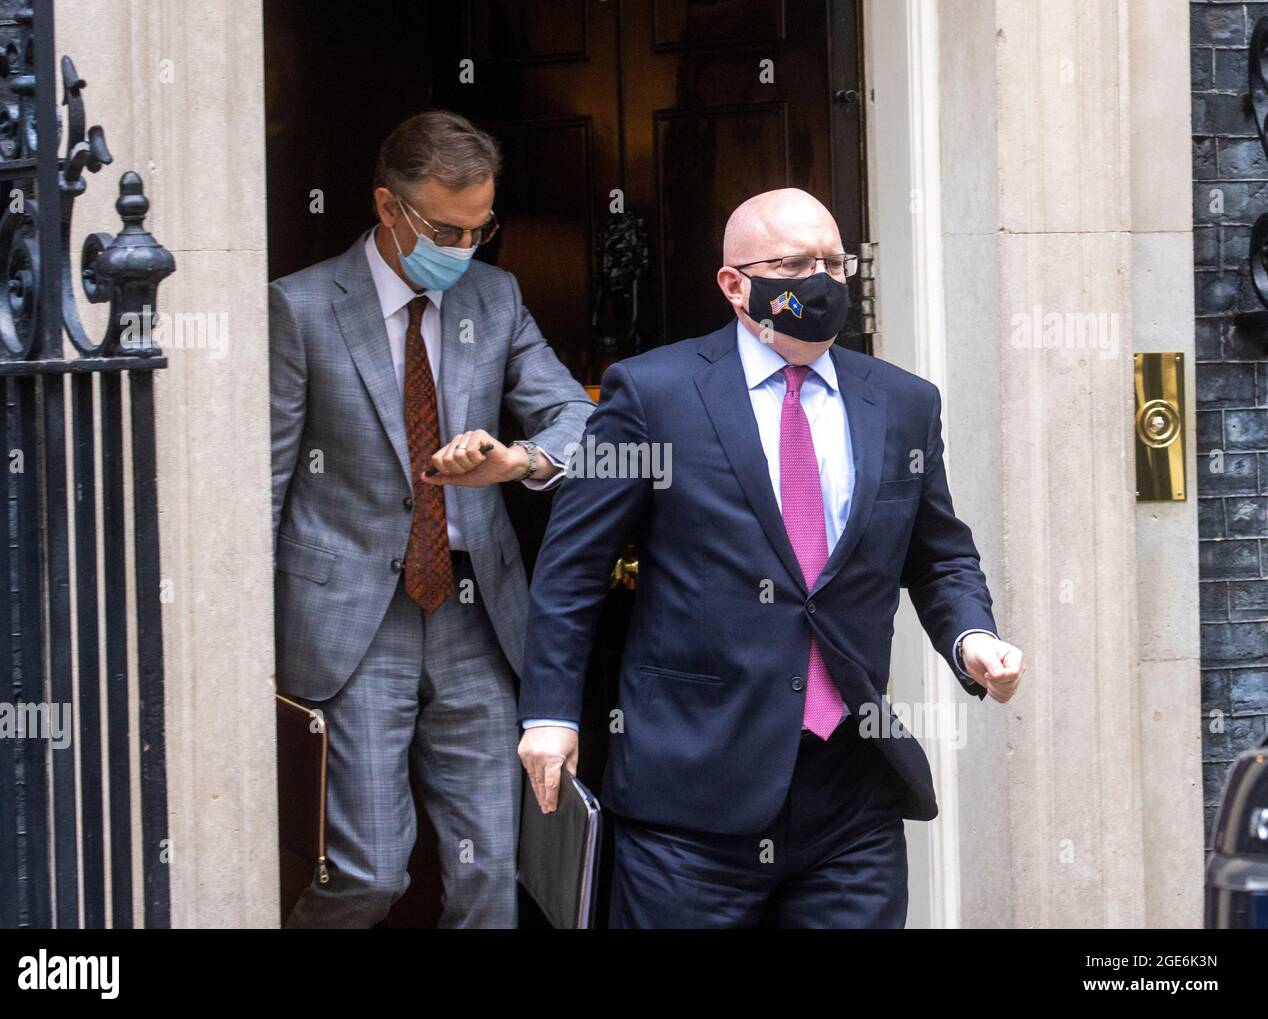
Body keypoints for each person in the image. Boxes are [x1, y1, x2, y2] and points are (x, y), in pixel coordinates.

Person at [517, 187, 1025, 928]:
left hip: (850, 798)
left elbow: (939, 553)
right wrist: (552, 711)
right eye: (793, 263)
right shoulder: (653, 394)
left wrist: (971, 636)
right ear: (734, 284)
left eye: (832, 261)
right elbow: (573, 564)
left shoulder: (904, 402)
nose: (818, 280)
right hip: (689, 798)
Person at [272, 110, 594, 928]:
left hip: (474, 617)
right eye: (445, 230)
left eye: (479, 230)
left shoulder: (497, 294)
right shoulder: (299, 309)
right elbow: (265, 484)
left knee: (490, 874)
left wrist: (517, 461)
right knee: (369, 873)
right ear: (389, 208)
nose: (463, 248)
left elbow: (580, 418)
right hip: (350, 624)